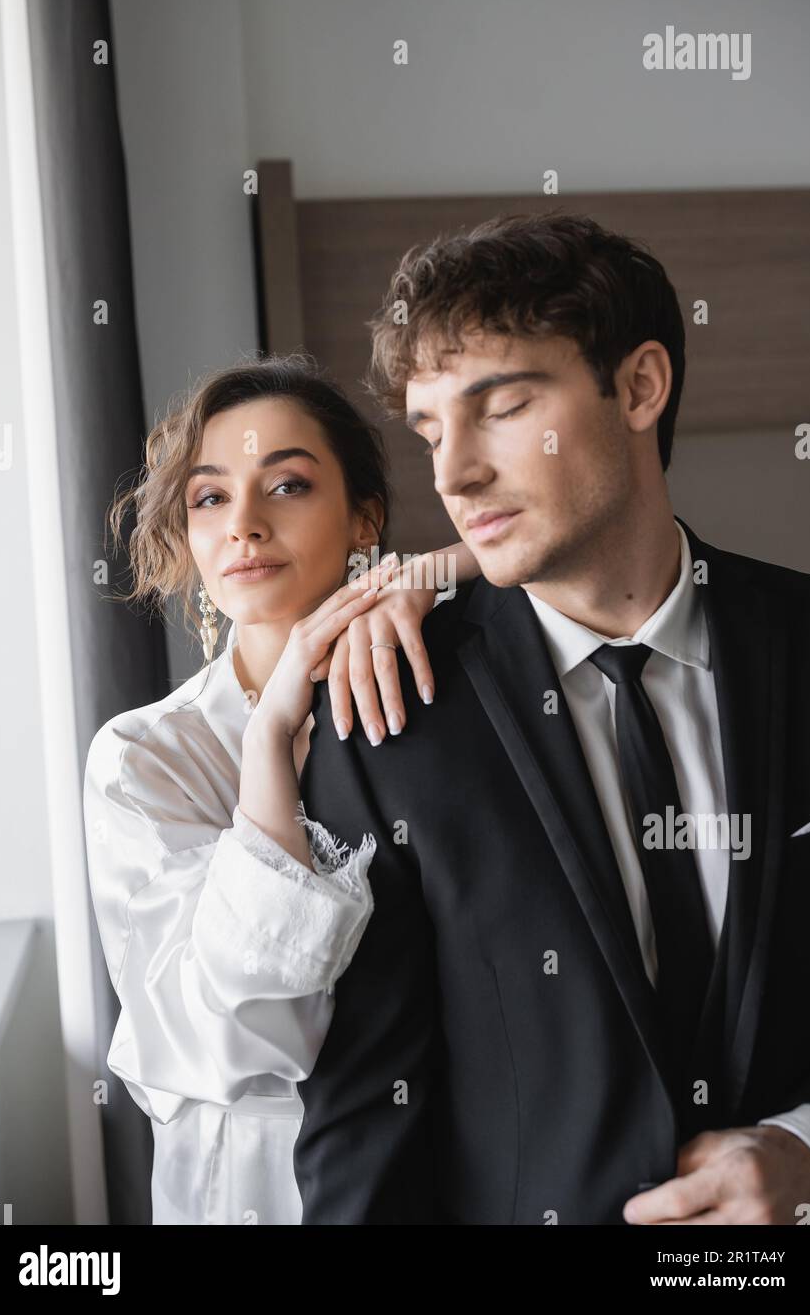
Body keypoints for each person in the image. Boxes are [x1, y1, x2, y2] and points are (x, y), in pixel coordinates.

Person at [293, 212, 810, 1225]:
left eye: (498, 408)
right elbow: (365, 1122)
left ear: (637, 387)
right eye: (428, 429)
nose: (450, 473)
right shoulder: (389, 710)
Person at [82, 354, 477, 1225]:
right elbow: (244, 1034)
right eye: (211, 497)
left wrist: (439, 570)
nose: (245, 526)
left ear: (363, 517)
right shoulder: (145, 757)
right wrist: (267, 740)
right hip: (251, 1191)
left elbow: (554, 549)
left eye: (288, 486)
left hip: (444, 1166)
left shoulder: (440, 698)